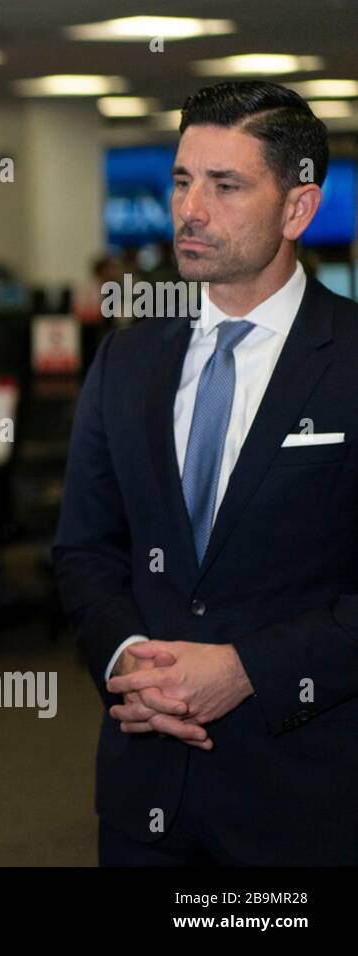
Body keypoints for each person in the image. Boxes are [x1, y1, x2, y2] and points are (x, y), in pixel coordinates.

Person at [54, 81, 358, 865]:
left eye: (226, 186)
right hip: (144, 785)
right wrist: (126, 660)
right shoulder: (129, 356)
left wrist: (248, 670)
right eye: (183, 181)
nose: (191, 209)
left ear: (298, 209)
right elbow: (86, 549)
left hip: (305, 795)